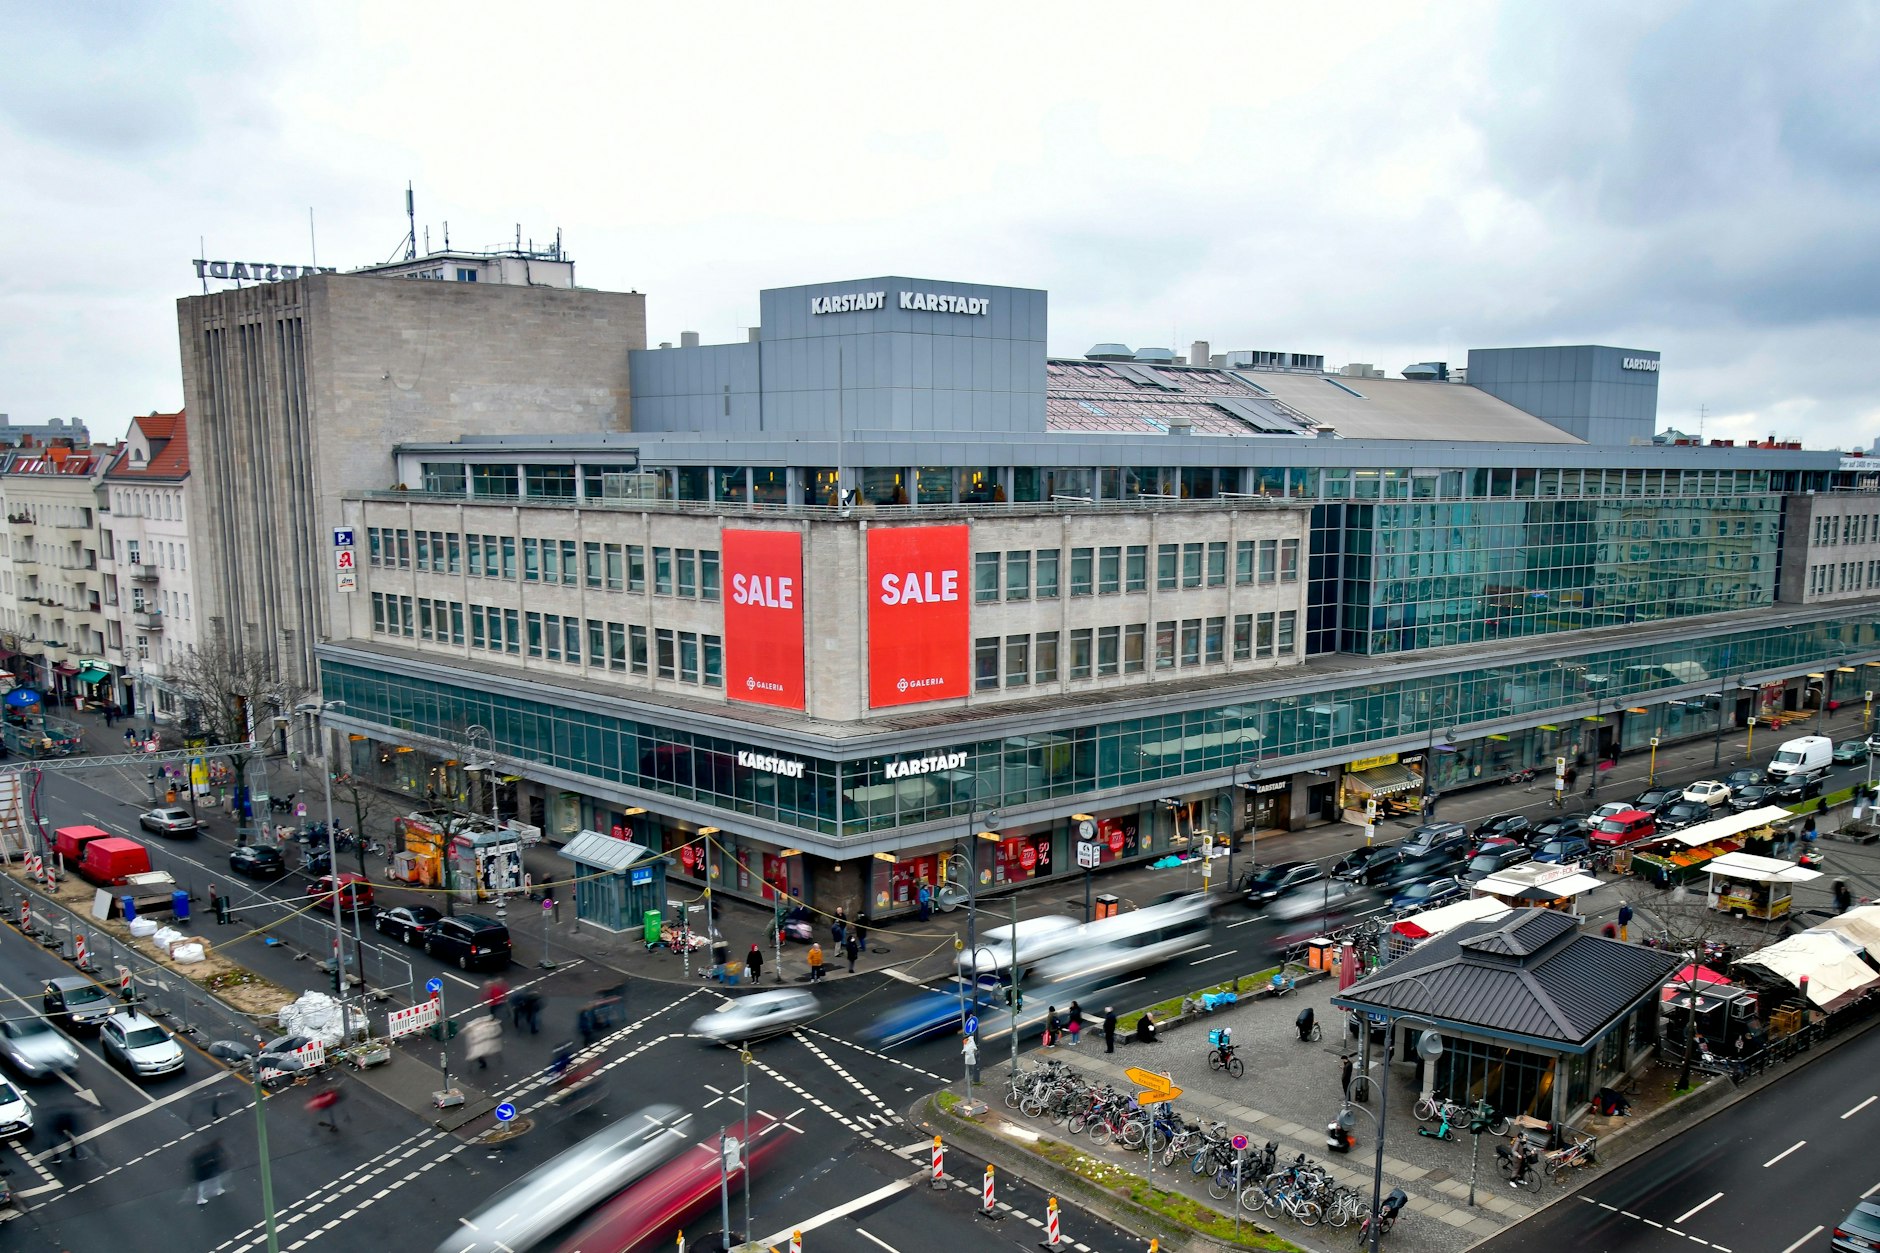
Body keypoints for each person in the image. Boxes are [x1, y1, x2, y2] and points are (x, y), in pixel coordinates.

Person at [192, 1139, 227, 1205]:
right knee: (203, 1184)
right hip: (205, 1172)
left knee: (215, 1178)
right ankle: (200, 1199)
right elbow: (208, 1162)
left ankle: (218, 1189)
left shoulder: (209, 1151)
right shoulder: (211, 1152)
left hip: (206, 1171)